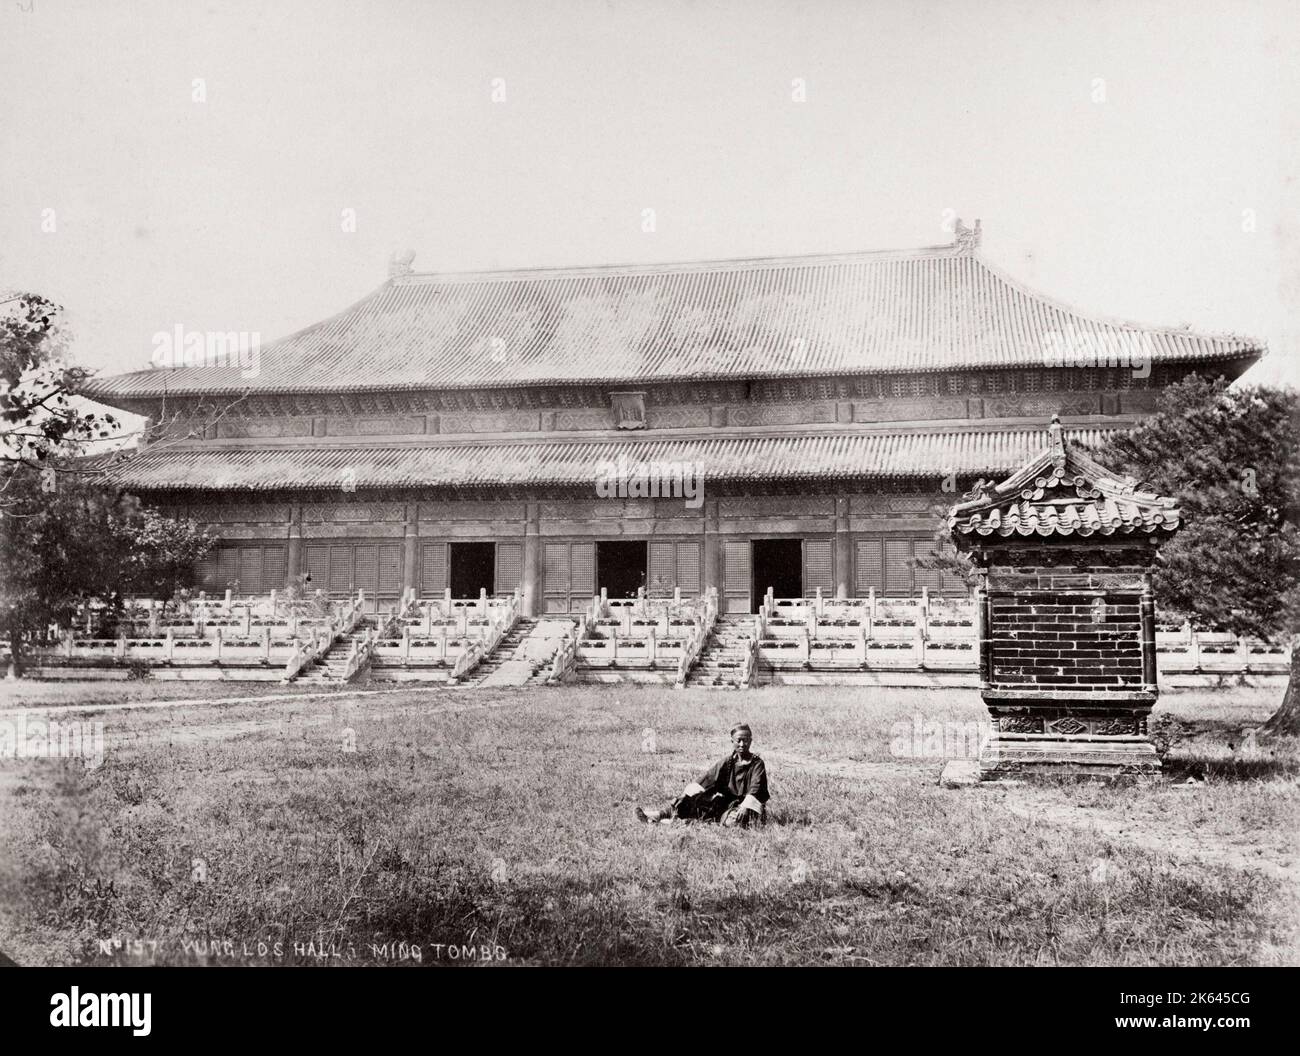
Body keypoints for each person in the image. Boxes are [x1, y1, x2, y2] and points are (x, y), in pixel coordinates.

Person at [636, 723, 769, 828]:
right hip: (726, 804)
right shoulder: (728, 762)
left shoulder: (757, 763)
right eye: (738, 740)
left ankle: (680, 823)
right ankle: (659, 815)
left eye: (746, 740)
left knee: (734, 822)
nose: (742, 744)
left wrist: (745, 807)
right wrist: (688, 795)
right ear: (732, 741)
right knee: (691, 800)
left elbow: (755, 789)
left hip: (746, 808)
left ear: (750, 741)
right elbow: (708, 778)